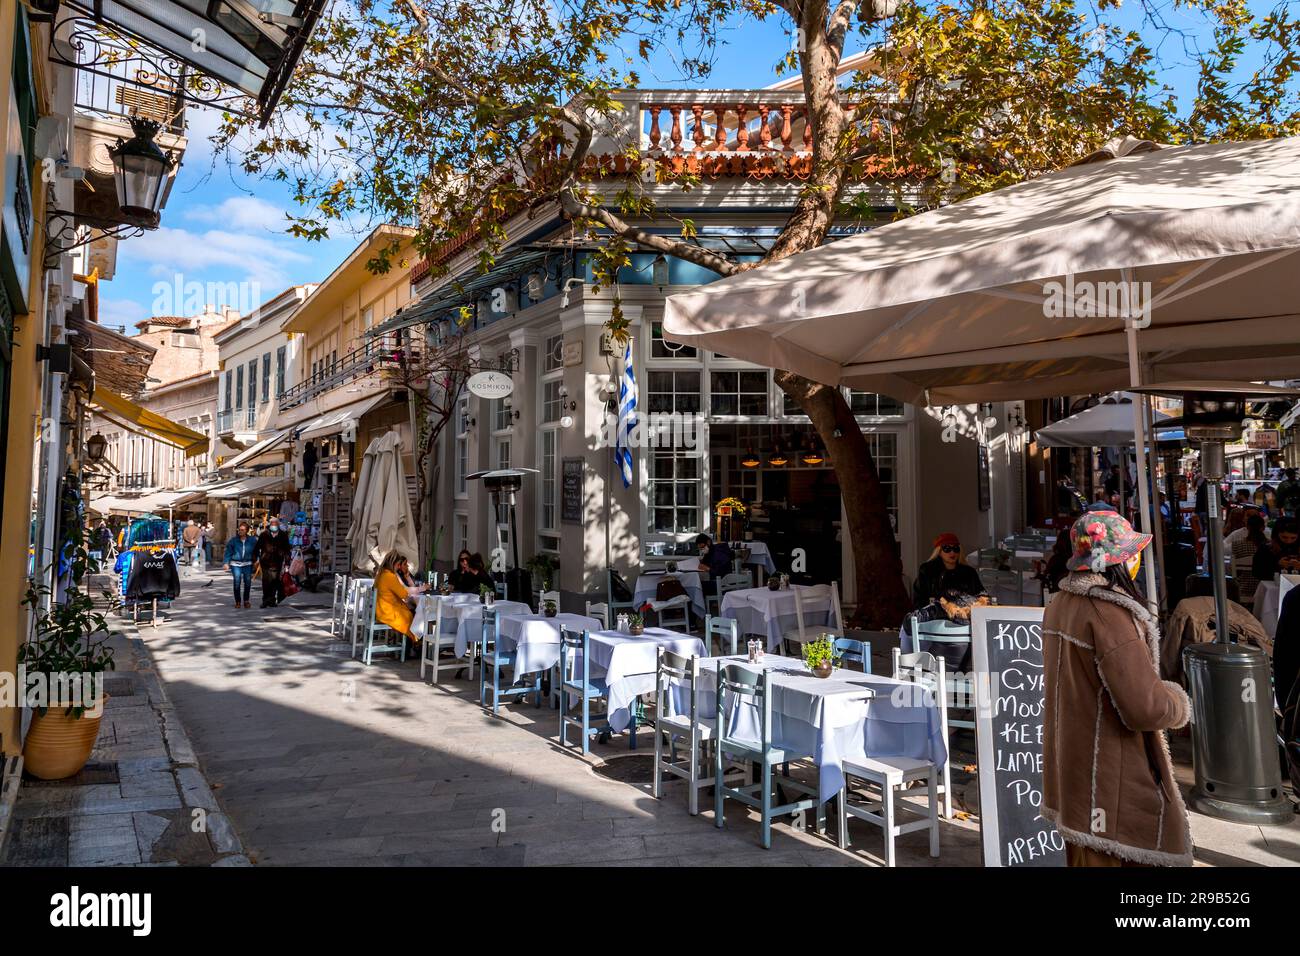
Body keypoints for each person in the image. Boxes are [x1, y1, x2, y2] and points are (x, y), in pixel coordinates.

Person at [1042, 511, 1192, 867]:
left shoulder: (1059, 604)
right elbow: (1145, 707)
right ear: (1119, 560)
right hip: (1113, 780)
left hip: (1075, 774)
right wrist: (1178, 702)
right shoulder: (1110, 613)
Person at [912, 533, 985, 609]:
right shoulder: (928, 571)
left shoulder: (969, 572)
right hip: (935, 616)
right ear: (939, 551)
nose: (952, 552)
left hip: (964, 614)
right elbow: (919, 600)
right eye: (947, 549)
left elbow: (981, 595)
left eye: (955, 548)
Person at [374, 550, 427, 656]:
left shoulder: (382, 573)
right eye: (398, 564)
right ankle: (409, 649)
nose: (398, 567)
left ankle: (411, 646)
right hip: (387, 612)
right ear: (392, 563)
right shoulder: (389, 576)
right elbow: (403, 594)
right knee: (410, 616)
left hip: (382, 609)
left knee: (410, 614)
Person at [1228, 512, 1269, 605]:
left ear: (1247, 527)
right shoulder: (1270, 546)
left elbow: (1231, 568)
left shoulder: (1236, 545)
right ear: (1263, 528)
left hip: (1243, 588)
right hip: (1264, 590)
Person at [255, 517, 291, 608]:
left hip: (277, 562)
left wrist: (287, 563)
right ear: (270, 525)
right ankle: (265, 600)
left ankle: (272, 600)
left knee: (274, 581)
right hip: (265, 562)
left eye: (275, 524)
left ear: (278, 525)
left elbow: (287, 550)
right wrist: (255, 559)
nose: (273, 526)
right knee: (266, 581)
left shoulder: (283, 535)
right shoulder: (264, 534)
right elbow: (257, 547)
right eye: (272, 525)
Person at [1253, 515, 1300, 583]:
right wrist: (1277, 565)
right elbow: (1257, 573)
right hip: (1273, 587)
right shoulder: (1266, 548)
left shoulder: (1297, 548)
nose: (1288, 541)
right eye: (1284, 537)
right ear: (1276, 534)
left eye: (1293, 538)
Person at [223, 522, 258, 609]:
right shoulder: (233, 540)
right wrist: (226, 562)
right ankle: (238, 601)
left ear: (247, 531)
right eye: (239, 529)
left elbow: (256, 551)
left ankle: (246, 601)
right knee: (237, 582)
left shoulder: (252, 540)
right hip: (235, 564)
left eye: (242, 530)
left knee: (248, 583)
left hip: (247, 564)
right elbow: (228, 552)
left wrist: (257, 560)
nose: (240, 531)